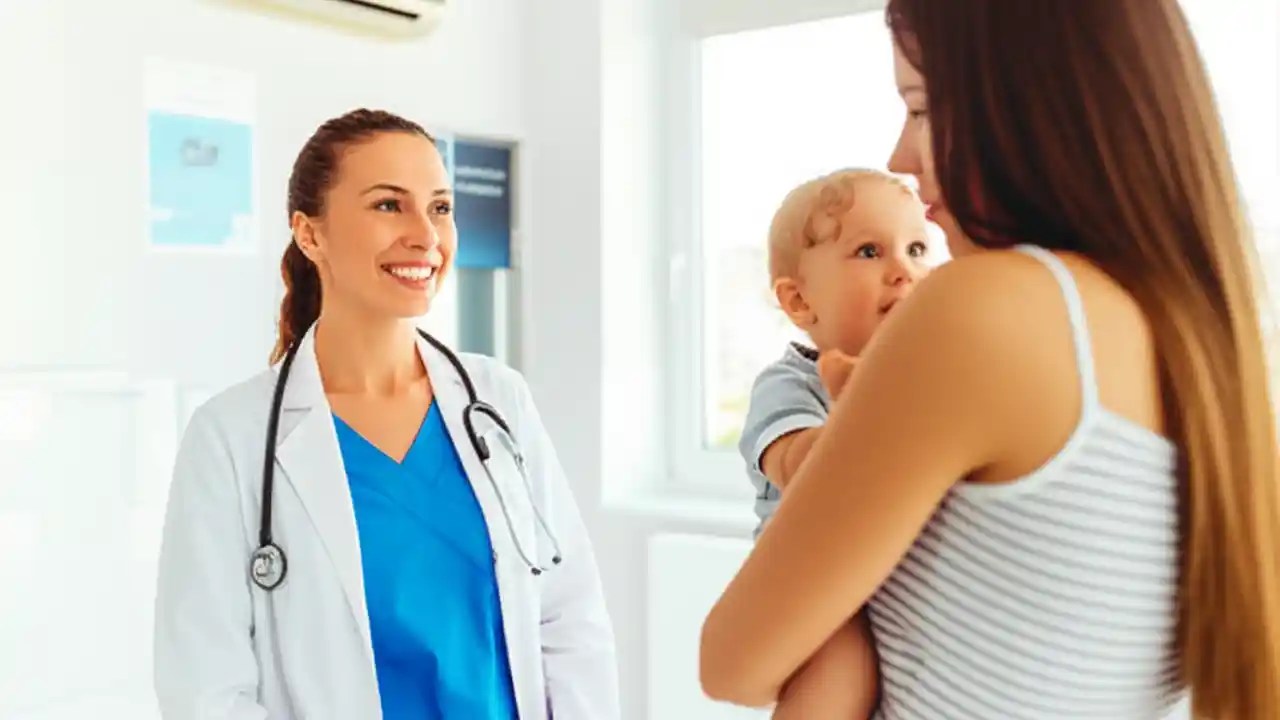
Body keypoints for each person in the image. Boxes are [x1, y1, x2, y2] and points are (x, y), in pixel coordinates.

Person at [701, 0, 1280, 718]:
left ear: (1030, 107)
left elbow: (730, 663)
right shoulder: (1204, 349)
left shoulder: (986, 310)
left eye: (921, 108)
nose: (899, 158)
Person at [153, 109, 620, 720]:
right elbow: (205, 688)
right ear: (309, 233)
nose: (425, 234)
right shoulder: (231, 436)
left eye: (441, 208)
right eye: (387, 206)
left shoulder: (498, 401)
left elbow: (570, 621)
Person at [738, 168, 933, 717]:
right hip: (810, 585)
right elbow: (797, 464)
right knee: (838, 667)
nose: (904, 271)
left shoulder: (930, 379)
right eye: (870, 252)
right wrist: (857, 420)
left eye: (918, 248)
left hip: (879, 578)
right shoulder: (791, 383)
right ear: (800, 301)